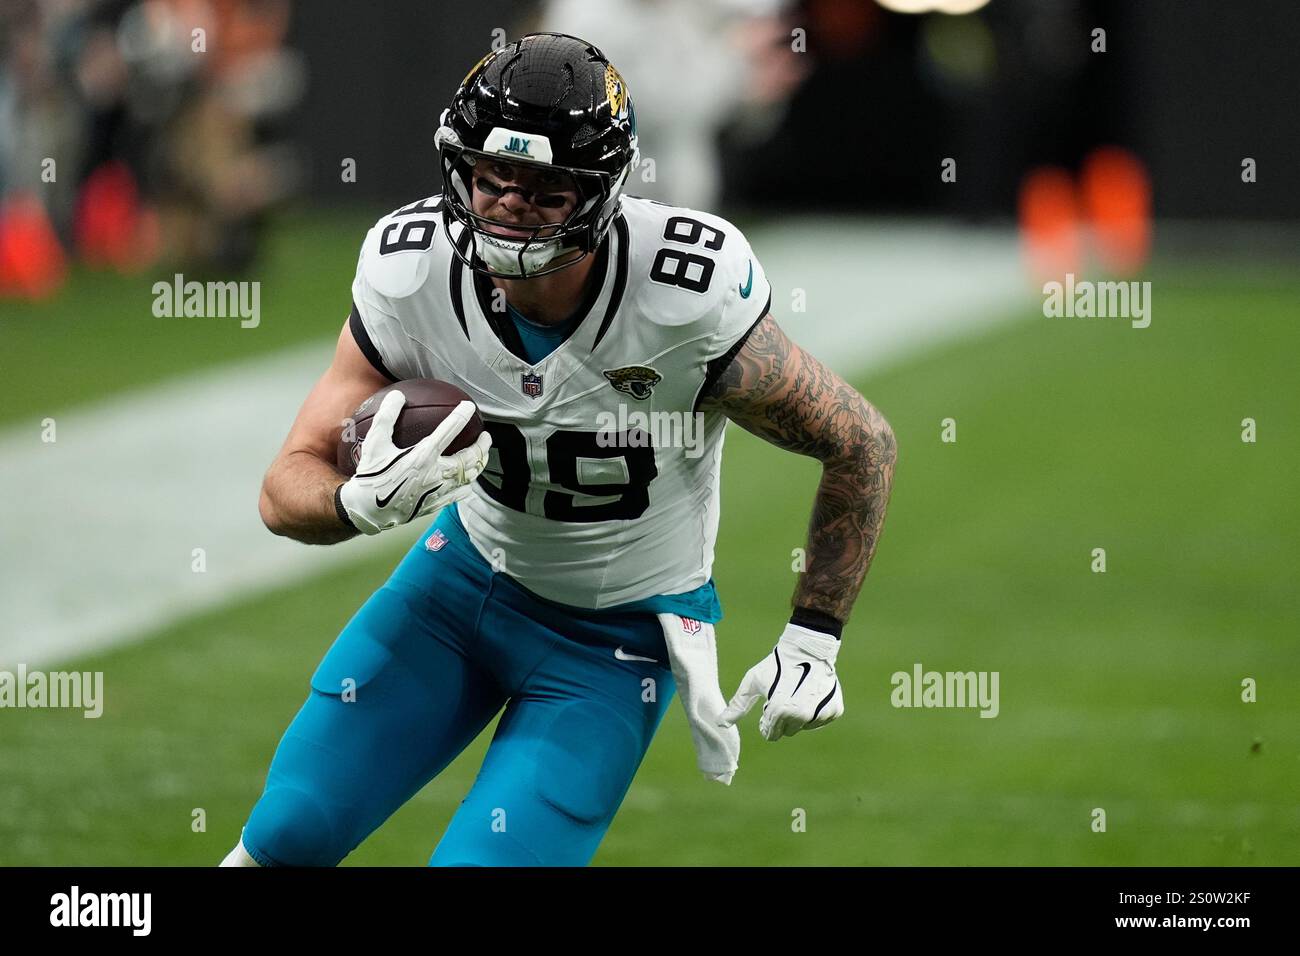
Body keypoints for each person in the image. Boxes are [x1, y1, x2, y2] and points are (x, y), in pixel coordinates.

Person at [221, 32, 895, 867]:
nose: (506, 204)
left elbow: (861, 441)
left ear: (602, 192)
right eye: (489, 177)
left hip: (612, 644)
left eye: (543, 190)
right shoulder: (412, 270)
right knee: (286, 832)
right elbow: (285, 483)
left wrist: (814, 639)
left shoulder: (683, 295)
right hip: (455, 589)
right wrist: (351, 503)